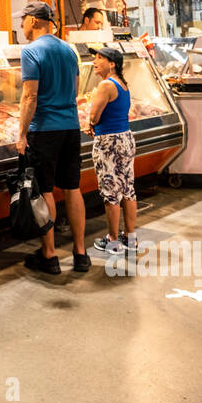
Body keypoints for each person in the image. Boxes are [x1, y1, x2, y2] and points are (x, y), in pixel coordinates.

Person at [15, 2, 89, 275]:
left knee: (45, 190)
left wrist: (22, 134)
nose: (21, 25)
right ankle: (80, 253)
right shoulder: (68, 50)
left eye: (23, 20)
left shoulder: (31, 51)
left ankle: (49, 255)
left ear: (34, 21)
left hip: (44, 129)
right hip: (71, 126)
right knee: (72, 187)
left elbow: (30, 96)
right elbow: (77, 89)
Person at [85, 47, 139, 255]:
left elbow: (95, 116)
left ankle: (113, 241)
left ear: (112, 63)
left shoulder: (106, 85)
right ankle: (130, 237)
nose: (95, 62)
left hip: (109, 142)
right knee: (128, 189)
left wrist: (91, 123)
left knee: (110, 193)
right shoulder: (122, 84)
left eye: (100, 58)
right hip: (125, 138)